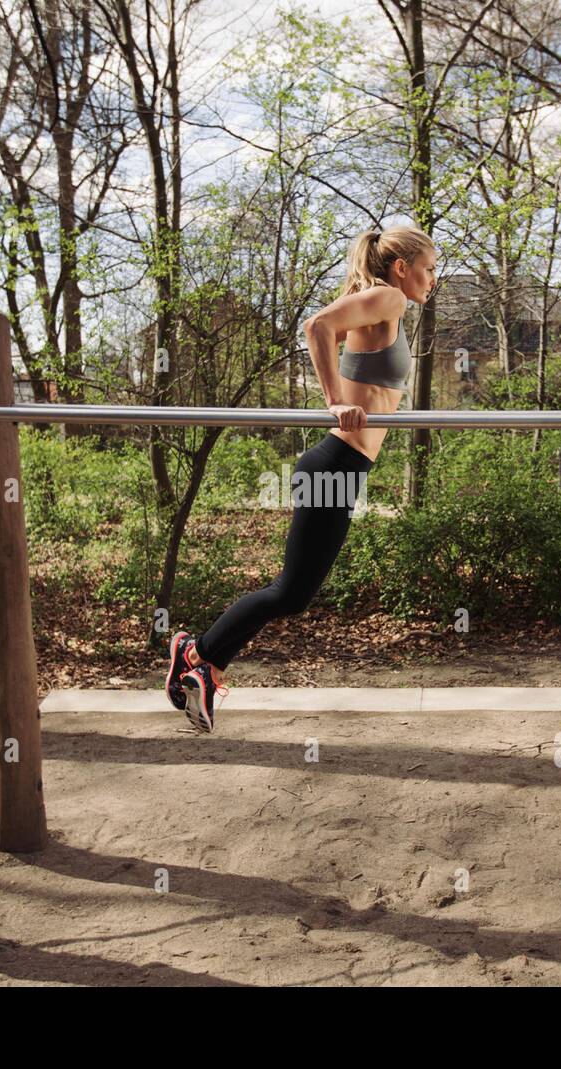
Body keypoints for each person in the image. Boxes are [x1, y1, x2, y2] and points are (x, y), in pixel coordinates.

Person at [165, 224, 438, 732]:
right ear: (402, 268)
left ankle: (204, 670)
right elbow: (316, 326)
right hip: (335, 462)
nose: (433, 279)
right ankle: (193, 650)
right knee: (292, 592)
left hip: (344, 466)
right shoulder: (389, 298)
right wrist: (334, 401)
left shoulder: (382, 304)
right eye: (429, 268)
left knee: (293, 592)